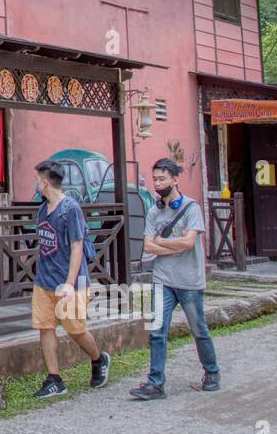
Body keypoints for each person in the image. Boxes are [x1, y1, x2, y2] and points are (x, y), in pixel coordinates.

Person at [129, 158, 221, 400]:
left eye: (162, 179)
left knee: (198, 329)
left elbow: (190, 242)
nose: (158, 183)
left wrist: (161, 243)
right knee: (157, 331)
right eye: (155, 179)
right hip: (162, 279)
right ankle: (155, 383)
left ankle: (212, 371)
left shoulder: (191, 209)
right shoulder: (153, 211)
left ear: (175, 179)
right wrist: (173, 246)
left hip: (189, 280)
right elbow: (147, 246)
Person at [30, 159, 110, 398]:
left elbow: (77, 248)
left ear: (45, 182)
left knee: (76, 330)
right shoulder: (43, 209)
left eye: (37, 180)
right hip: (44, 280)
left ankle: (98, 359)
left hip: (71, 282)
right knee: (45, 328)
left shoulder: (70, 209)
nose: (35, 184)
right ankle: (54, 378)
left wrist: (69, 282)